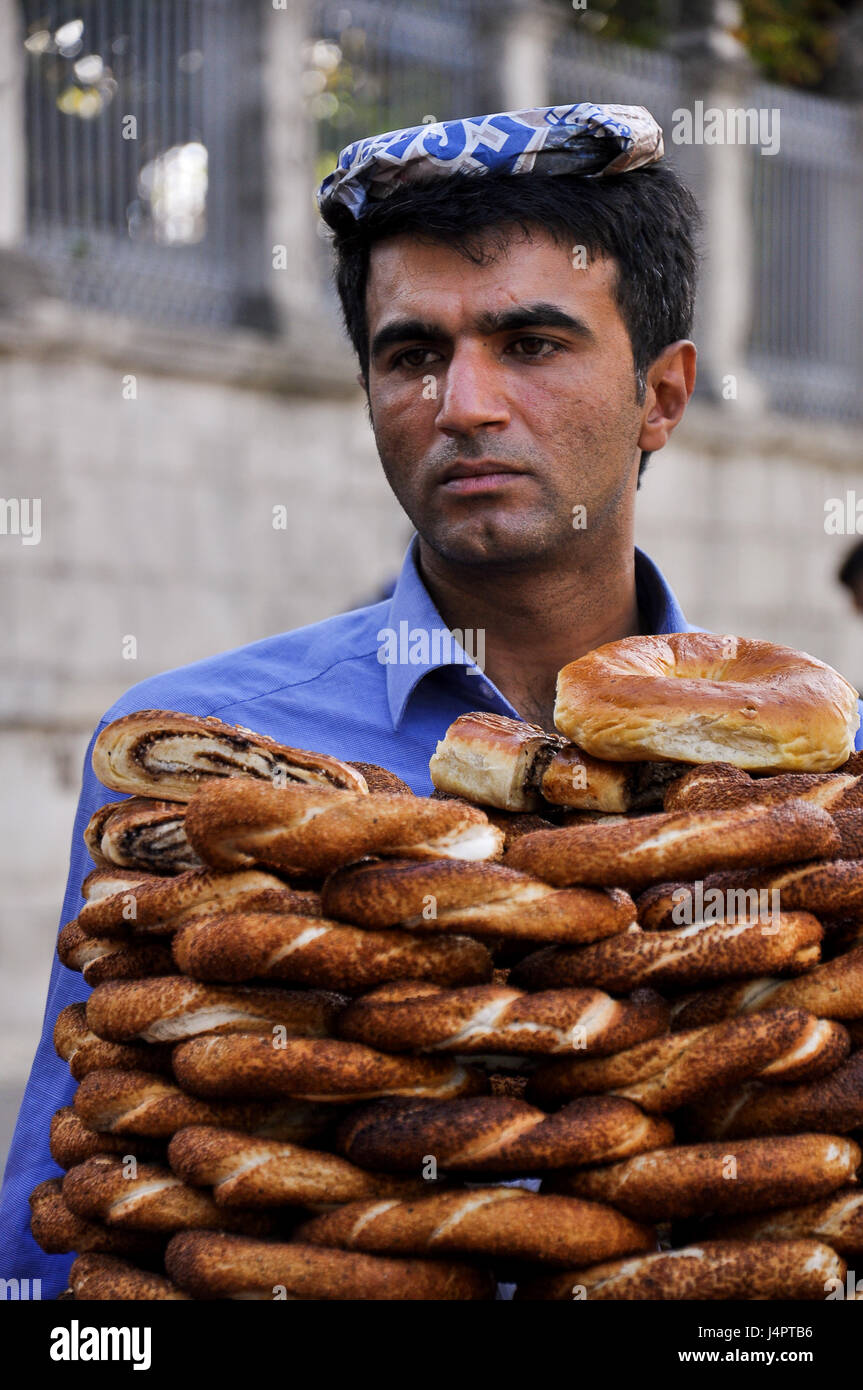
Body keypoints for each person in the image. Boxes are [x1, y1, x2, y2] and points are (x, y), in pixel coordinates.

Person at [3, 103, 862, 1294]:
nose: (460, 404)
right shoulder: (202, 761)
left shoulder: (824, 784)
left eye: (530, 344)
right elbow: (59, 1251)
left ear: (660, 396)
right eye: (411, 354)